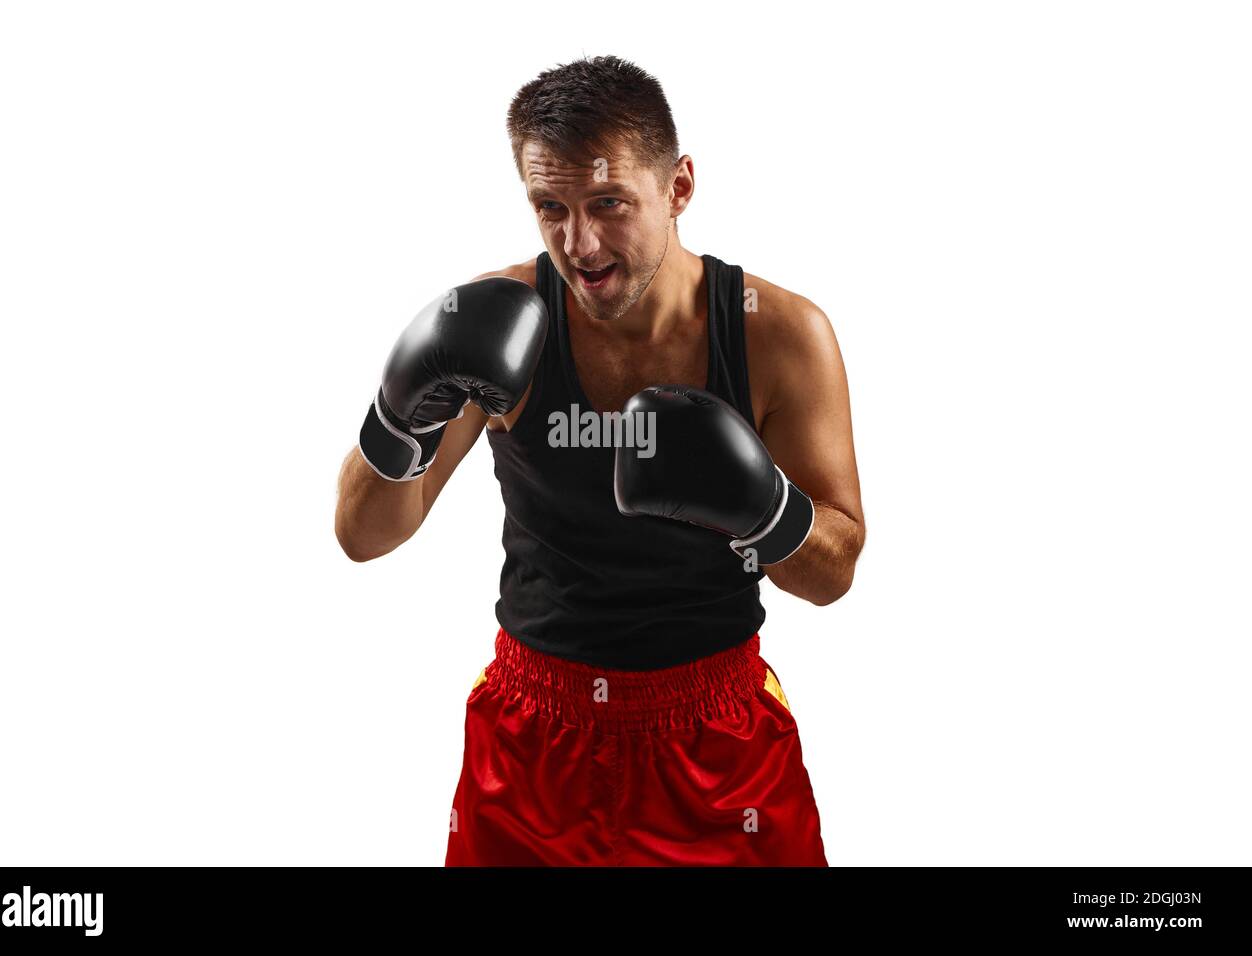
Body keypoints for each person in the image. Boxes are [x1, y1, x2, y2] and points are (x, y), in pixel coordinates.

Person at [334, 55, 865, 866]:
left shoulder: (777, 335)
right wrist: (394, 417)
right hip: (531, 741)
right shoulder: (499, 326)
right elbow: (364, 536)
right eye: (551, 207)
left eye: (609, 204)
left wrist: (768, 509)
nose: (578, 244)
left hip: (717, 744)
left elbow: (832, 576)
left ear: (679, 187)